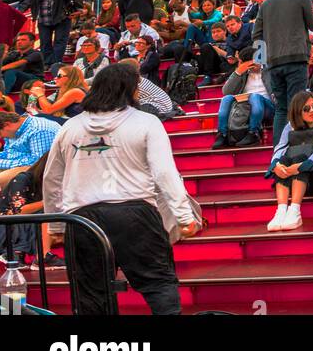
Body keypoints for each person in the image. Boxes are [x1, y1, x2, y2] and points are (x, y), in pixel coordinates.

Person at [42, 64, 197, 313]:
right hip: (135, 213)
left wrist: (57, 225)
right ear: (129, 89)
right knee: (159, 284)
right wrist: (184, 216)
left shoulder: (70, 127)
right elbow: (164, 172)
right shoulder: (147, 121)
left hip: (83, 219)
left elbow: (51, 180)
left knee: (90, 294)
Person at [252, 0, 313, 144]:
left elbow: (256, 34)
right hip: (296, 59)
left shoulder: (266, 2)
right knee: (296, 105)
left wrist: (262, 60)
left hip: (273, 63)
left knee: (281, 109)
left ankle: (278, 150)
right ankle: (296, 148)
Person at [266, 90, 313, 231]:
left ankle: (295, 211)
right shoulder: (289, 127)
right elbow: (279, 148)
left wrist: (300, 166)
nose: (312, 110)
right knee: (284, 159)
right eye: (306, 108)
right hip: (295, 180)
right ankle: (281, 211)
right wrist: (276, 166)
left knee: (299, 158)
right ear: (298, 111)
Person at [19, 0, 84, 71]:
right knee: (45, 42)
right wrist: (19, 12)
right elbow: (26, 1)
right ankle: (46, 63)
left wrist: (79, 10)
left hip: (62, 18)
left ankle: (55, 63)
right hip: (44, 20)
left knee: (60, 41)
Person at [212, 47, 274, 149]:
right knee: (226, 99)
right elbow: (226, 91)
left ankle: (254, 132)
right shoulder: (243, 74)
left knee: (255, 96)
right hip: (245, 108)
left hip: (267, 108)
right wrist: (238, 72)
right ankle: (222, 134)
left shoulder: (269, 71)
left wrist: (263, 68)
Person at [0, 107, 59, 189]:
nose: (0, 137)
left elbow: (37, 163)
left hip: (39, 170)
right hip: (22, 165)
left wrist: (1, 163)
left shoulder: (39, 130)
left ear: (7, 124)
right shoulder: (13, 130)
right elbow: (8, 152)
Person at [0, 30, 45, 94]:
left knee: (10, 71)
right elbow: (2, 62)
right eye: (18, 40)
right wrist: (4, 53)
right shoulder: (14, 54)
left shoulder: (36, 54)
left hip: (34, 80)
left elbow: (20, 63)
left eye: (23, 40)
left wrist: (1, 69)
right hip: (18, 80)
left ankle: (3, 96)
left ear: (32, 42)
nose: (19, 42)